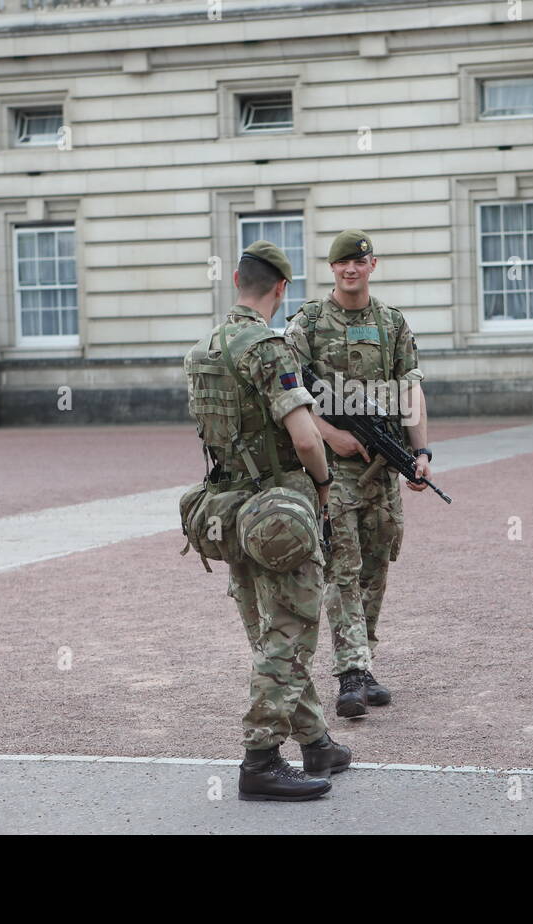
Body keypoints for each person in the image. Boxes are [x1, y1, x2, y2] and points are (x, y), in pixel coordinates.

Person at [183, 240, 351, 801]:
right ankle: (259, 761)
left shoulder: (203, 348)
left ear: (236, 280)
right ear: (281, 289)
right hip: (280, 509)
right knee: (291, 629)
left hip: (230, 510)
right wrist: (324, 486)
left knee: (268, 625)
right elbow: (306, 437)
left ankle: (316, 741)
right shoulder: (269, 346)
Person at [284, 230, 430, 718]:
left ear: (373, 266)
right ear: (332, 269)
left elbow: (410, 390)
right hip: (334, 471)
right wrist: (329, 434)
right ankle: (350, 672)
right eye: (343, 262)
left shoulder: (392, 323)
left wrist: (419, 453)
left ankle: (364, 661)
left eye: (359, 261)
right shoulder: (306, 323)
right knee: (341, 567)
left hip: (383, 468)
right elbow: (289, 396)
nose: (351, 269)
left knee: (375, 565)